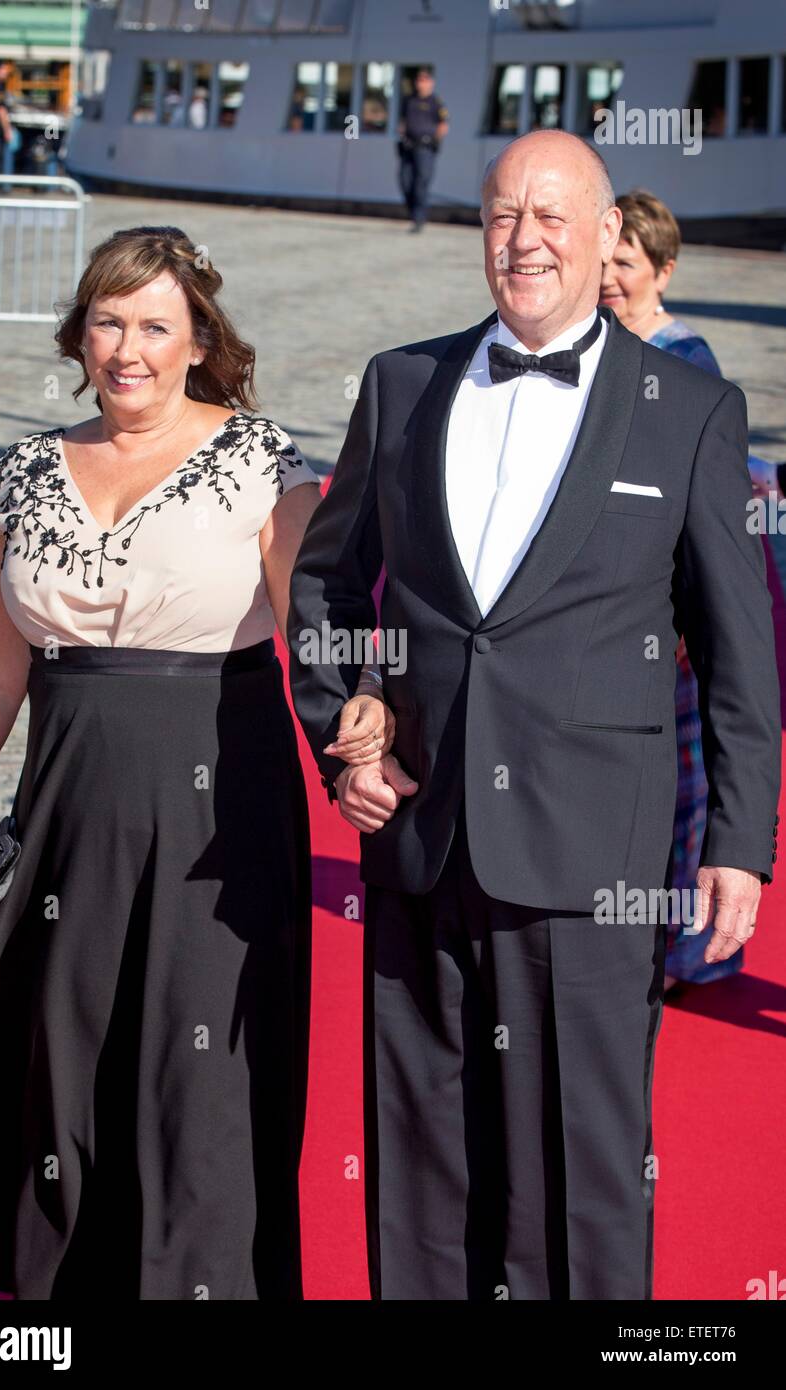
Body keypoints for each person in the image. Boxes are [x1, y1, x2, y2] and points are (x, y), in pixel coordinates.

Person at [287, 130, 781, 1300]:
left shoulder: (692, 409)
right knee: (419, 1153)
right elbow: (322, 583)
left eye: (554, 216)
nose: (525, 241)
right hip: (419, 835)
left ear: (609, 236)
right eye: (503, 216)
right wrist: (339, 716)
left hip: (590, 852)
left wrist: (737, 848)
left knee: (586, 1170)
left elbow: (736, 649)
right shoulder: (399, 382)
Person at [0, 225, 324, 1300]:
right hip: (68, 808)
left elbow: (321, 637)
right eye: (108, 321)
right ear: (79, 333)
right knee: (65, 1058)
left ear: (198, 341)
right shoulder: (24, 473)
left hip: (217, 812)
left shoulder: (261, 460)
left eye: (155, 325)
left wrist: (365, 733)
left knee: (198, 1078)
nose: (127, 347)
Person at [599, 187, 768, 992]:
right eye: (603, 261)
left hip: (664, 613)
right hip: (608, 605)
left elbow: (699, 505)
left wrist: (681, 614)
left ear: (662, 270)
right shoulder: (589, 343)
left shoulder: (686, 358)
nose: (608, 278)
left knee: (681, 787)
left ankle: (681, 950)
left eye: (624, 265)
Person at [397, 69, 448, 233]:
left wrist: (435, 141)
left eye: (425, 80)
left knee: (421, 184)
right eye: (419, 80)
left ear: (431, 83)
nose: (421, 83)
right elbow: (403, 121)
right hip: (408, 147)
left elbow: (443, 125)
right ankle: (413, 213)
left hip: (425, 148)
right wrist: (402, 133)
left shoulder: (436, 102)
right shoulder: (409, 100)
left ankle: (419, 219)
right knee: (405, 182)